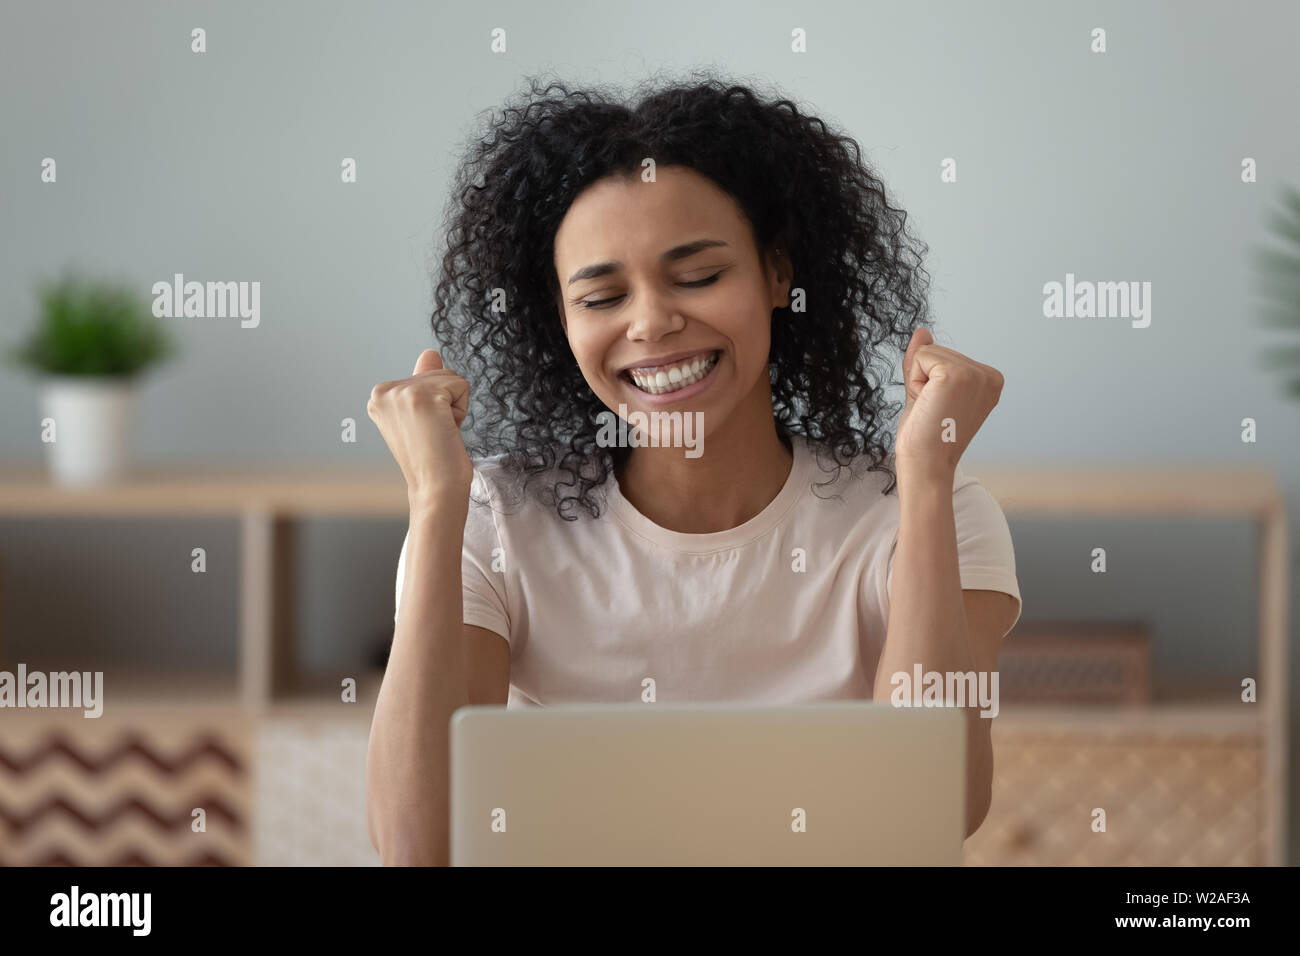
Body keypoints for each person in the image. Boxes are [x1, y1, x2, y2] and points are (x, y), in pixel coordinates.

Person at [365, 72, 1021, 865]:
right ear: (559, 319)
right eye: (602, 297)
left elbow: (940, 801)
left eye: (699, 276)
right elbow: (415, 845)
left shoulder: (933, 511)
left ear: (777, 273)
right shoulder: (492, 521)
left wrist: (925, 481)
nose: (652, 323)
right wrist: (437, 502)